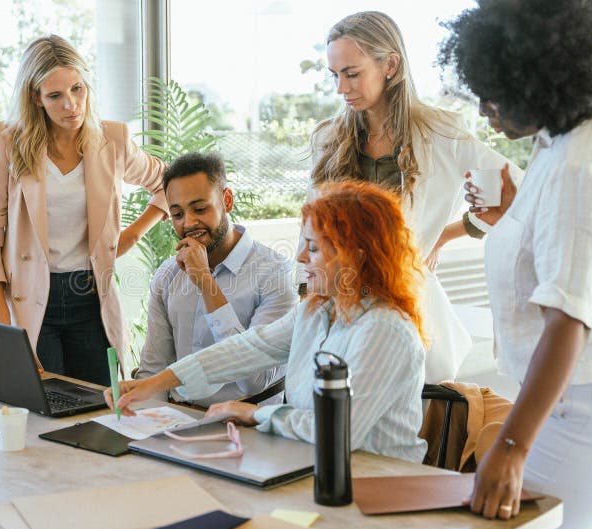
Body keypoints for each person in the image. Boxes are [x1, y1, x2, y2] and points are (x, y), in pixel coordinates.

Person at [438, 0, 592, 529]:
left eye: (493, 96)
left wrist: (510, 448)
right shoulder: (567, 133)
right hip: (583, 396)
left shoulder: (581, 162)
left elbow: (570, 317)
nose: (485, 112)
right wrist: (512, 217)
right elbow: (568, 241)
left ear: (537, 79)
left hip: (586, 406)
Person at [107, 181, 429, 463]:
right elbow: (247, 348)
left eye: (313, 248)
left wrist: (252, 412)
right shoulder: (316, 312)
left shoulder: (384, 329)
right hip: (313, 466)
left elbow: (337, 431)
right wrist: (155, 382)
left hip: (379, 482)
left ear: (356, 257)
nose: (301, 256)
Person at [308, 11, 523, 384]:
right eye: (336, 75)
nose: (341, 88)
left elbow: (517, 191)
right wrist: (306, 298)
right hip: (336, 309)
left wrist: (447, 233)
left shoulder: (440, 132)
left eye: (352, 73)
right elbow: (309, 231)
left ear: (390, 65)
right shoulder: (327, 140)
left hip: (407, 311)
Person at [0, 35, 168, 386]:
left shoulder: (113, 140)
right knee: (40, 409)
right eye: (55, 96)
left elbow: (169, 183)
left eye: (78, 89)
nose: (71, 105)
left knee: (99, 409)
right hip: (31, 302)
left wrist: (136, 232)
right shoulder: (6, 142)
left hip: (91, 299)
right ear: (35, 98)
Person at [135, 152, 297, 407]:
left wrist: (206, 283)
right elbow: (153, 369)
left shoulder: (274, 273)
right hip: (177, 421)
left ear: (227, 200)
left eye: (200, 209)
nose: (188, 223)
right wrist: (144, 424)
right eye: (177, 214)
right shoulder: (168, 274)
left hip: (244, 427)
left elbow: (256, 380)